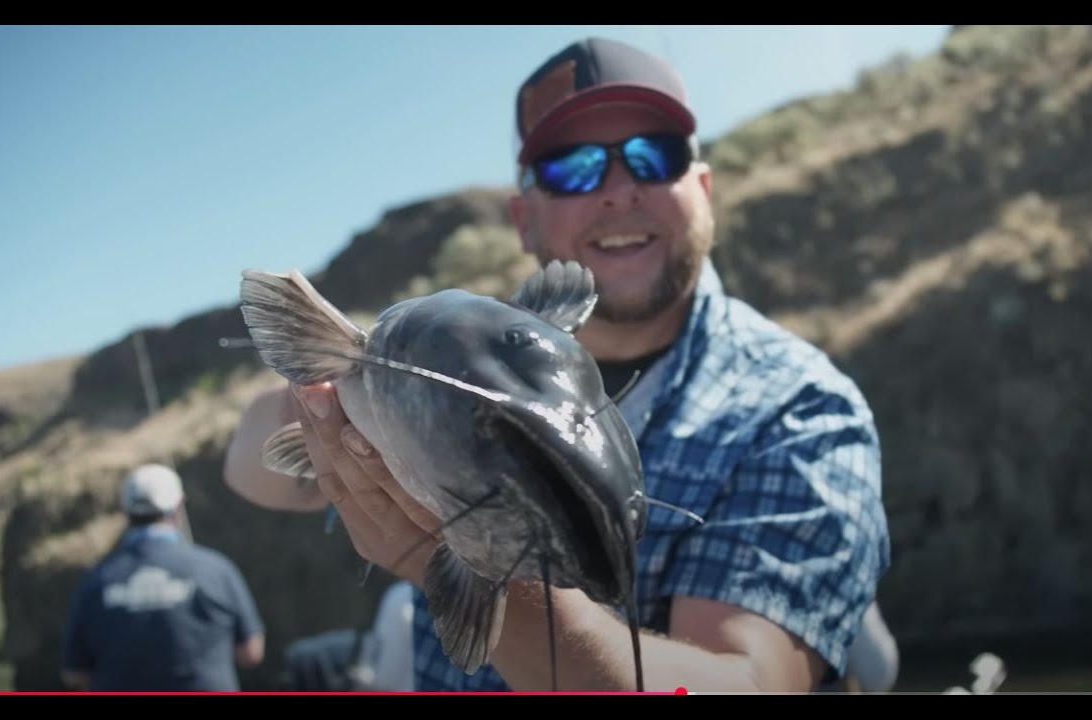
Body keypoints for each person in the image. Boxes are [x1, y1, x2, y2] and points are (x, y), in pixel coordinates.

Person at [223, 35, 890, 693]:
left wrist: (499, 583)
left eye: (652, 156)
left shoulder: (801, 409)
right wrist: (356, 390)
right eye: (573, 168)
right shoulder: (435, 360)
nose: (619, 189)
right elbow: (250, 465)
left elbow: (750, 684)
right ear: (524, 220)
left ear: (704, 187)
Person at [60, 463, 266, 691]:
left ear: (126, 510)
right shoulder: (216, 570)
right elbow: (251, 653)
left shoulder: (96, 581)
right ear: (178, 507)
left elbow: (74, 674)